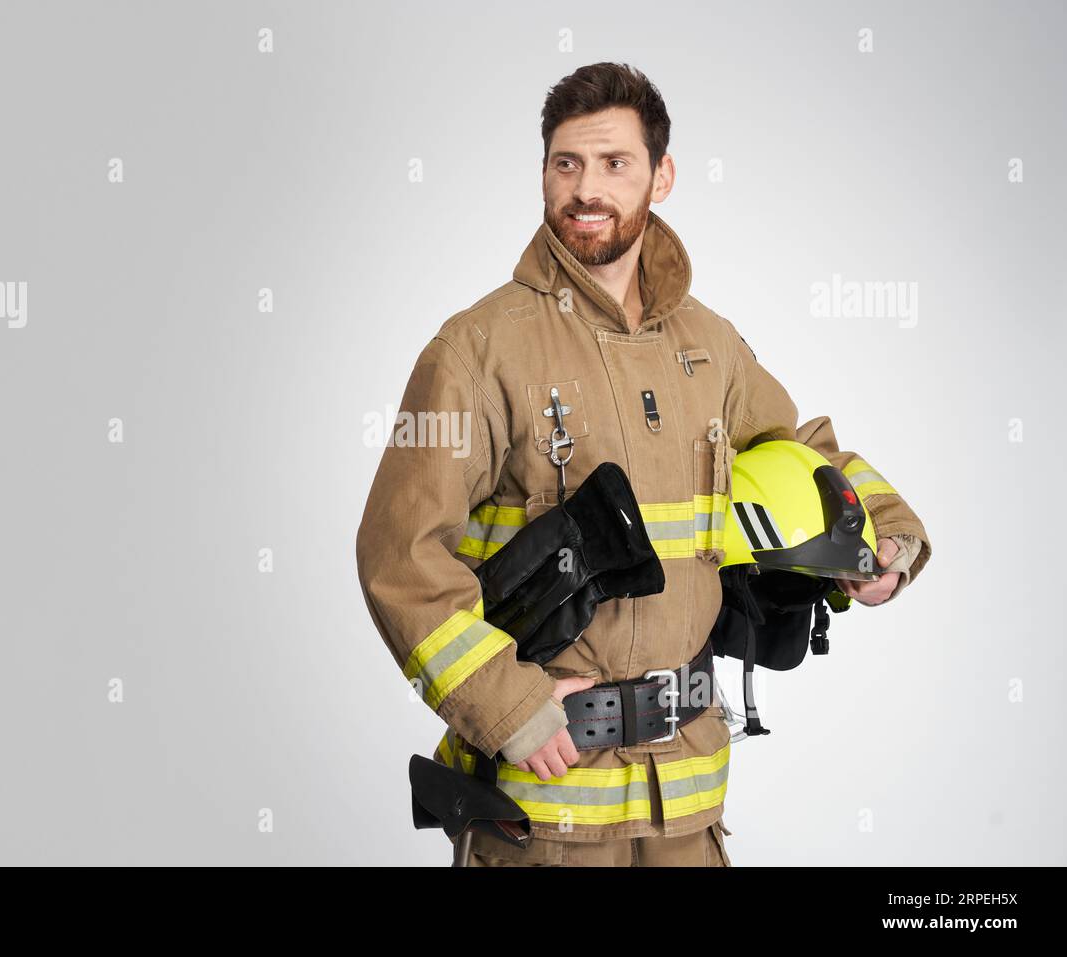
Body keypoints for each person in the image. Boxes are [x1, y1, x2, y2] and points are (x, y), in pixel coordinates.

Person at [356, 62, 931, 867]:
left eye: (613, 164)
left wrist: (884, 541)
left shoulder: (711, 345)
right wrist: (502, 699)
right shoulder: (476, 349)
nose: (585, 189)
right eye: (566, 164)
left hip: (688, 805)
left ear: (661, 176)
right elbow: (398, 553)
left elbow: (798, 451)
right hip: (543, 816)